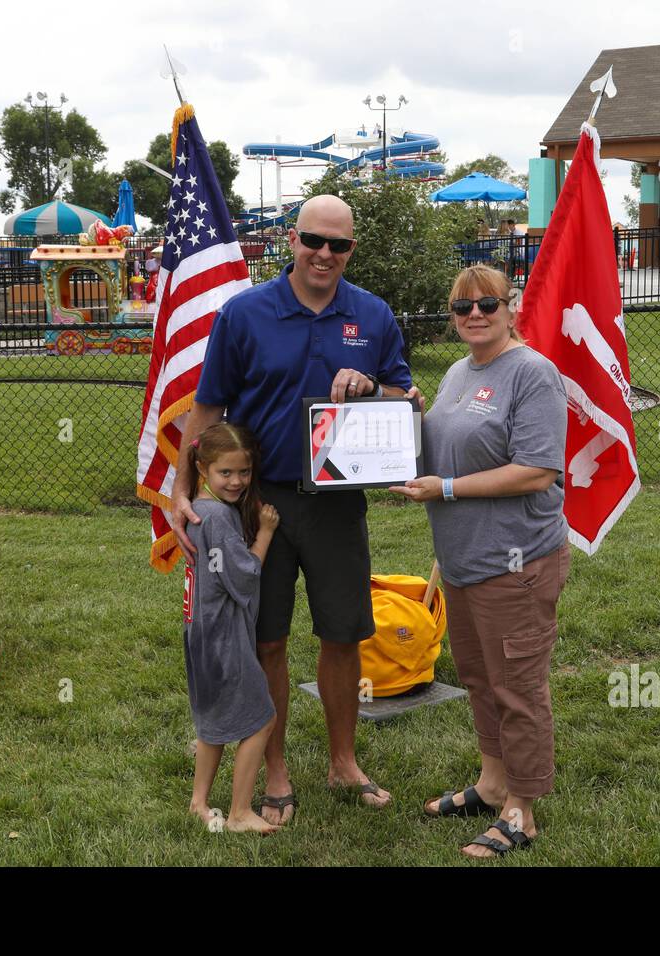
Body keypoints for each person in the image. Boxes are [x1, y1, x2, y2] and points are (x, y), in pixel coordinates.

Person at [170, 194, 424, 826]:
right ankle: (275, 766)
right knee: (268, 639)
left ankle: (344, 761)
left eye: (339, 245)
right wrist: (180, 489)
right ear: (292, 238)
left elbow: (403, 391)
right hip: (262, 503)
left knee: (343, 634)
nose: (325, 254)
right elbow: (207, 409)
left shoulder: (371, 313)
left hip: (339, 502)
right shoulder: (246, 313)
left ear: (351, 250)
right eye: (314, 240)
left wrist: (372, 386)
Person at [390, 265, 570, 859]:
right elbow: (440, 449)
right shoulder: (458, 372)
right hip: (464, 561)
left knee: (517, 686)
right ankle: (493, 784)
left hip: (515, 562)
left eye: (487, 305)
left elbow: (537, 470)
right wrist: (405, 416)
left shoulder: (533, 374)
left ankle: (522, 807)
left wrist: (447, 489)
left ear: (510, 308)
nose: (474, 316)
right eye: (462, 307)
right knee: (479, 680)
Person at [180, 423, 281, 834]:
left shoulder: (195, 512)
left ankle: (199, 801)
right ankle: (239, 813)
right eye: (226, 473)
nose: (237, 481)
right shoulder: (219, 518)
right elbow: (242, 576)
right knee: (261, 719)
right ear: (203, 468)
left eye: (244, 472)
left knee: (213, 721)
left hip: (199, 632)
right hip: (224, 636)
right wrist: (267, 534)